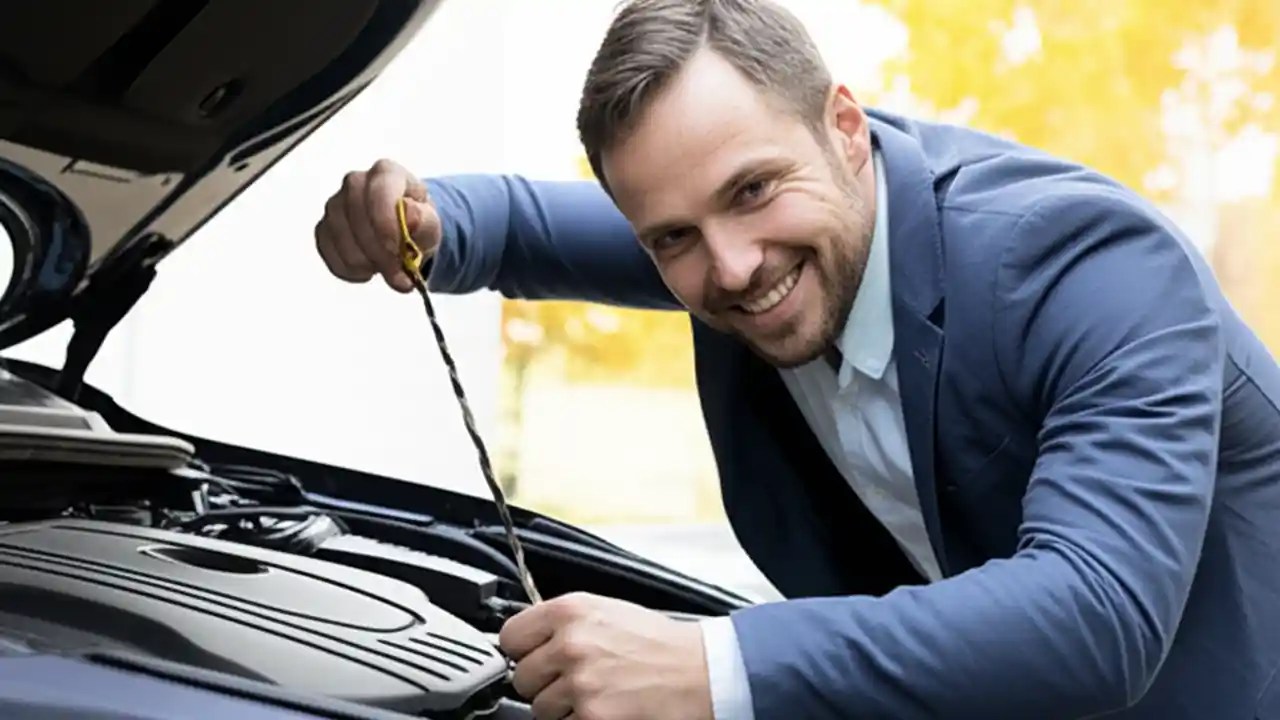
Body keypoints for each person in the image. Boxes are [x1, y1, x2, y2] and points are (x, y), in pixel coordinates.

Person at [313, 1, 1280, 718]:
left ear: (846, 128)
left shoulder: (1091, 268)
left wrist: (709, 667)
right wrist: (420, 218)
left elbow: (1096, 620)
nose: (731, 268)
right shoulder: (729, 229)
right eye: (670, 239)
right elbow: (526, 225)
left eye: (752, 191)